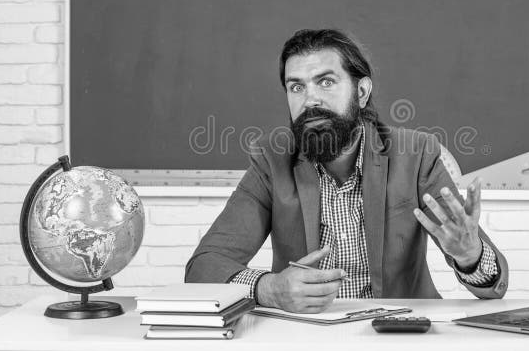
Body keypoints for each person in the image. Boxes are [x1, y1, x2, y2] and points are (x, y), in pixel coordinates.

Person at [185, 29, 509, 313]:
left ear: (361, 92)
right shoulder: (272, 160)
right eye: (296, 87)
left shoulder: (416, 154)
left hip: (398, 334)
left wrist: (471, 256)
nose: (310, 100)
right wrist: (269, 289)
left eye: (326, 82)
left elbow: (493, 287)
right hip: (306, 335)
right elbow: (203, 267)